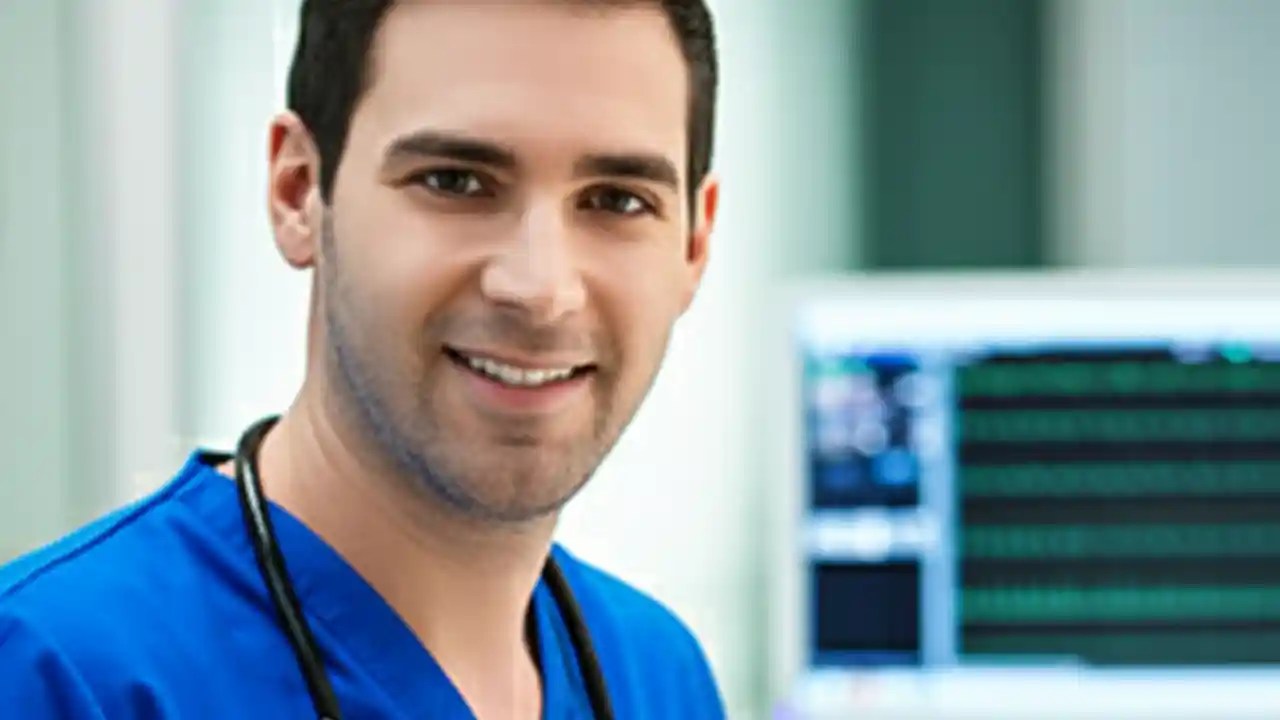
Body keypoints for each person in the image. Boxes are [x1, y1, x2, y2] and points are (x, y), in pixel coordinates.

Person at [0, 1, 723, 717]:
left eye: (617, 201)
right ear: (298, 192)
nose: (540, 289)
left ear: (695, 242)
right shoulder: (60, 673)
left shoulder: (658, 677)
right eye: (455, 182)